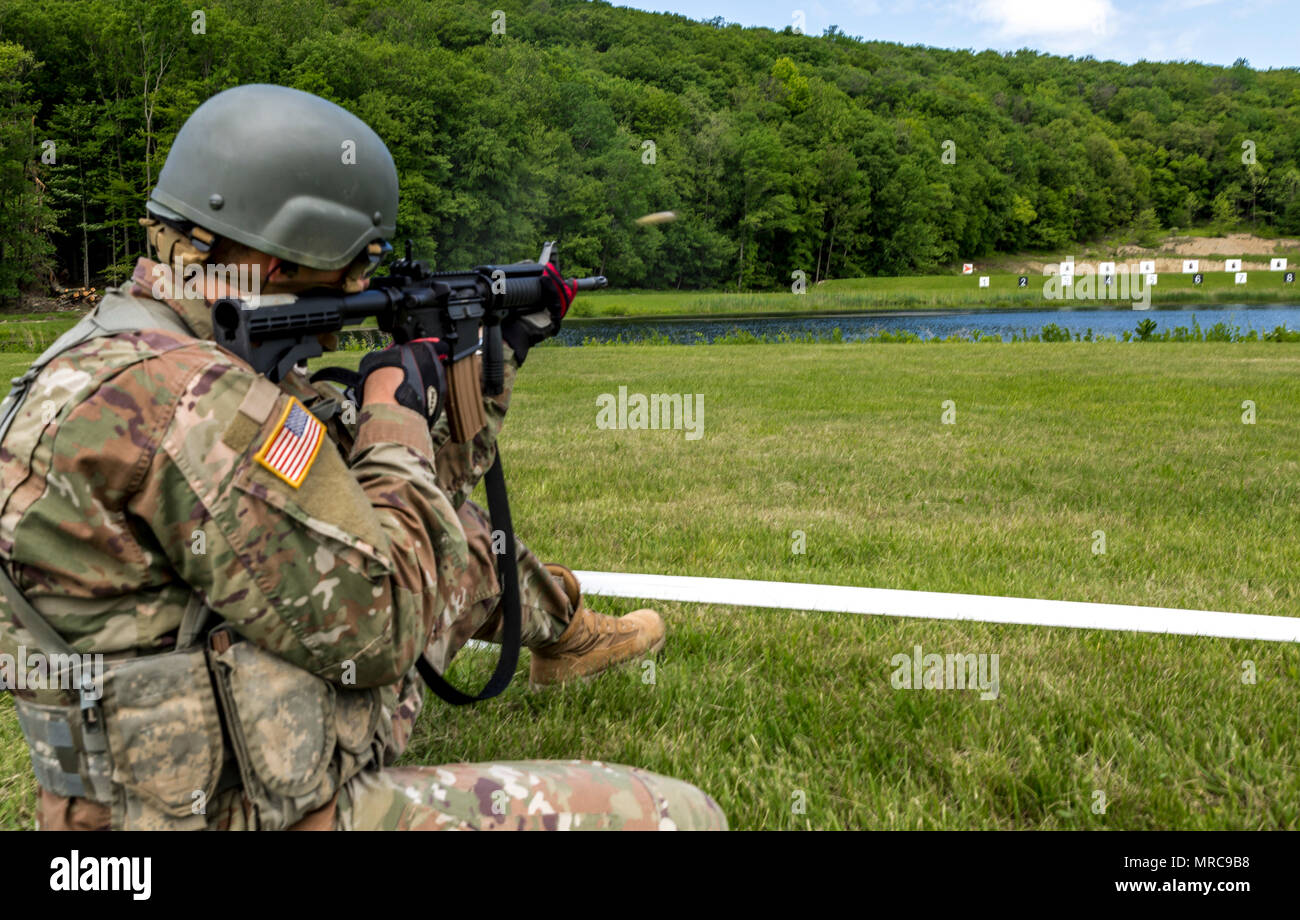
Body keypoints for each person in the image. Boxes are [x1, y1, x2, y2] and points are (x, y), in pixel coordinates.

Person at [0, 83, 727, 831]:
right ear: (282, 261)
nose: (357, 297)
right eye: (351, 271)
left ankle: (566, 635)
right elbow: (384, 622)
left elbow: (389, 512)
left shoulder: (114, 351)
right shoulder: (196, 402)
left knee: (474, 543)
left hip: (117, 816)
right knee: (683, 818)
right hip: (229, 814)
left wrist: (486, 377)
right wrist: (392, 411)